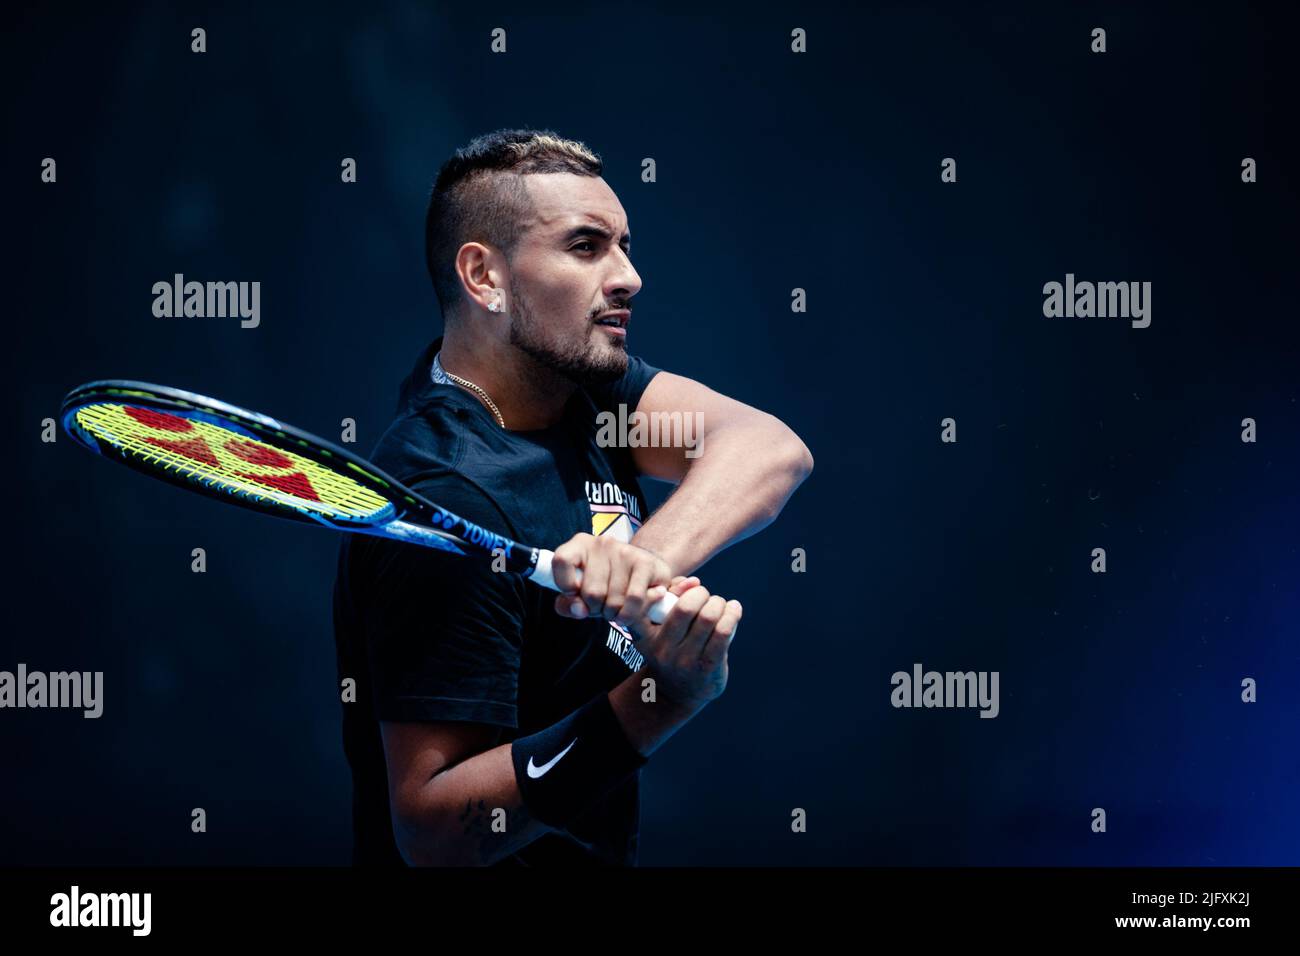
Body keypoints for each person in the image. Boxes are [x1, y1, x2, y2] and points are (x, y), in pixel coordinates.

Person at [333, 128, 813, 866]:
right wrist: (664, 700)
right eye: (587, 247)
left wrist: (640, 561)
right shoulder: (449, 497)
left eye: (625, 245)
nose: (629, 277)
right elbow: (431, 829)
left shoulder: (584, 391)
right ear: (484, 277)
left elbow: (771, 449)